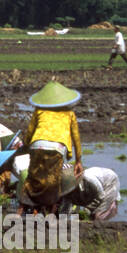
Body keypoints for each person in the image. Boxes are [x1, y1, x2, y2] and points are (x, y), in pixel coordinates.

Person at [21, 81, 84, 210]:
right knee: (53, 184)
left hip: (37, 145)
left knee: (33, 180)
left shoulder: (39, 111)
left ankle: (21, 210)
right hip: (56, 148)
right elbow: (76, 137)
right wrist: (78, 160)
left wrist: (26, 145)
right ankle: (49, 215)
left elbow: (30, 131)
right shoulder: (69, 113)